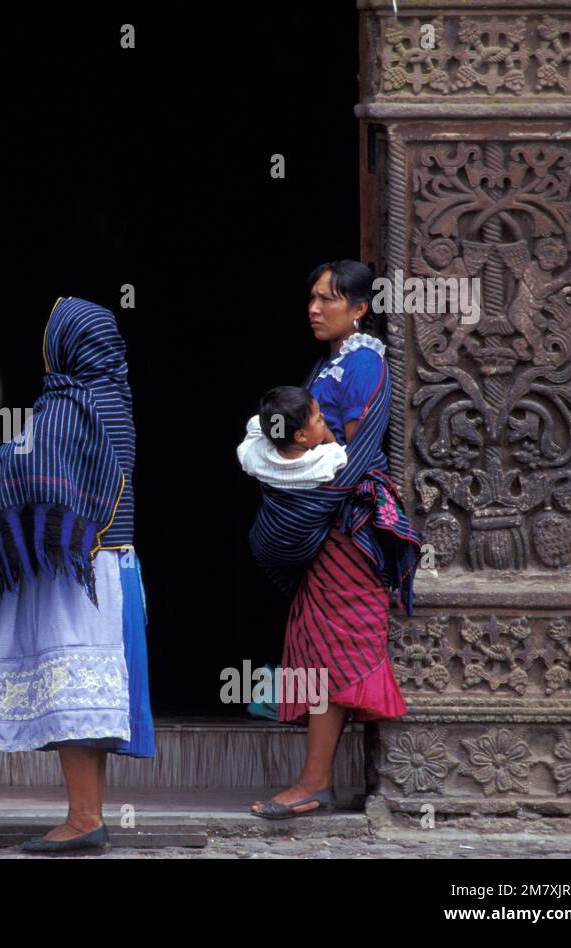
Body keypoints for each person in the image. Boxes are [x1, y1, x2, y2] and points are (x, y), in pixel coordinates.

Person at [0, 296, 155, 854]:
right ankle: (84, 813)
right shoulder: (113, 395)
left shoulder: (74, 404)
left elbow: (33, 469)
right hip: (109, 564)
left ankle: (85, 819)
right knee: (84, 699)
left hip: (83, 574)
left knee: (75, 694)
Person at [246, 259, 420, 819]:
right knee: (319, 648)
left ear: (361, 308)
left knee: (330, 651)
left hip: (348, 529)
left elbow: (357, 452)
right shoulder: (334, 362)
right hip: (332, 522)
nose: (315, 308)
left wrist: (309, 507)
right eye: (313, 298)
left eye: (329, 299)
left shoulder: (363, 363)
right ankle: (313, 779)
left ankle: (314, 783)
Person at [237, 385, 348, 490]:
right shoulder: (324, 460)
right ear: (301, 436)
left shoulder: (254, 456)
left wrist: (272, 421)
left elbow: (255, 425)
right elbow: (335, 446)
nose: (323, 416)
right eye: (319, 419)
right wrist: (324, 429)